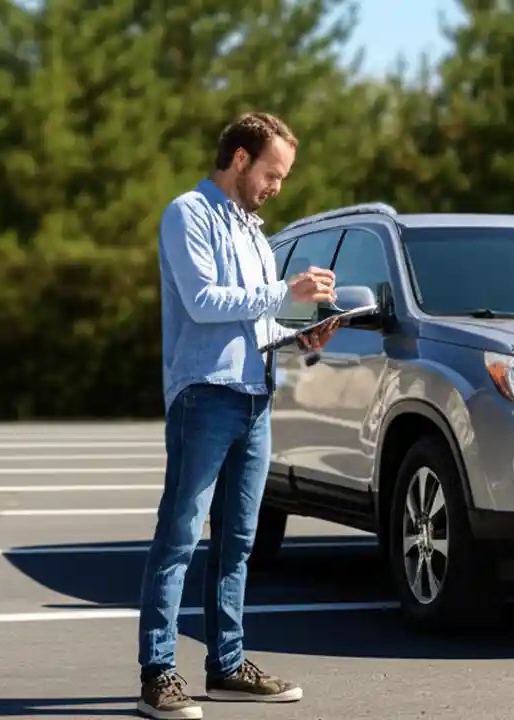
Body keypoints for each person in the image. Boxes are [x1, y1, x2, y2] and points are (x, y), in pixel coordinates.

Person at [136, 111, 339, 720]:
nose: (278, 186)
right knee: (178, 535)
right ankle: (157, 674)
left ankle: (226, 666)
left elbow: (256, 319)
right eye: (273, 173)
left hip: (256, 395)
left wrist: (303, 333)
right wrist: (285, 293)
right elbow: (202, 303)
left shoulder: (254, 231)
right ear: (242, 158)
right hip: (205, 395)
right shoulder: (186, 214)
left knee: (238, 542)